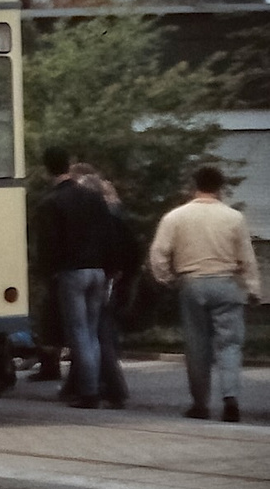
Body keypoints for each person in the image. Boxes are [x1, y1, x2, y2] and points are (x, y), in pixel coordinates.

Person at [148, 165, 262, 422]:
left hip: (192, 284)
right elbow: (247, 257)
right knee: (230, 344)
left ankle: (200, 404)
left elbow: (159, 253)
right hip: (227, 283)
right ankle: (230, 397)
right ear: (221, 187)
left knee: (197, 346)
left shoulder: (175, 217)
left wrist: (166, 278)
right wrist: (253, 288)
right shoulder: (233, 217)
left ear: (194, 185)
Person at [32, 147, 115, 408]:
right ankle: (96, 385)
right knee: (92, 331)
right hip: (98, 270)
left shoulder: (50, 202)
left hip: (71, 272)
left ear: (47, 168)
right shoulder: (93, 198)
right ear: (69, 164)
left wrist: (48, 273)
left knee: (78, 332)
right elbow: (108, 233)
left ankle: (88, 391)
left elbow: (47, 245)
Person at [68, 164, 140, 407]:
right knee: (96, 333)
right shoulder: (110, 216)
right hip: (106, 276)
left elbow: (121, 247)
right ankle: (94, 386)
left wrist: (115, 273)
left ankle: (112, 389)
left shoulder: (99, 218)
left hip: (101, 277)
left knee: (97, 333)